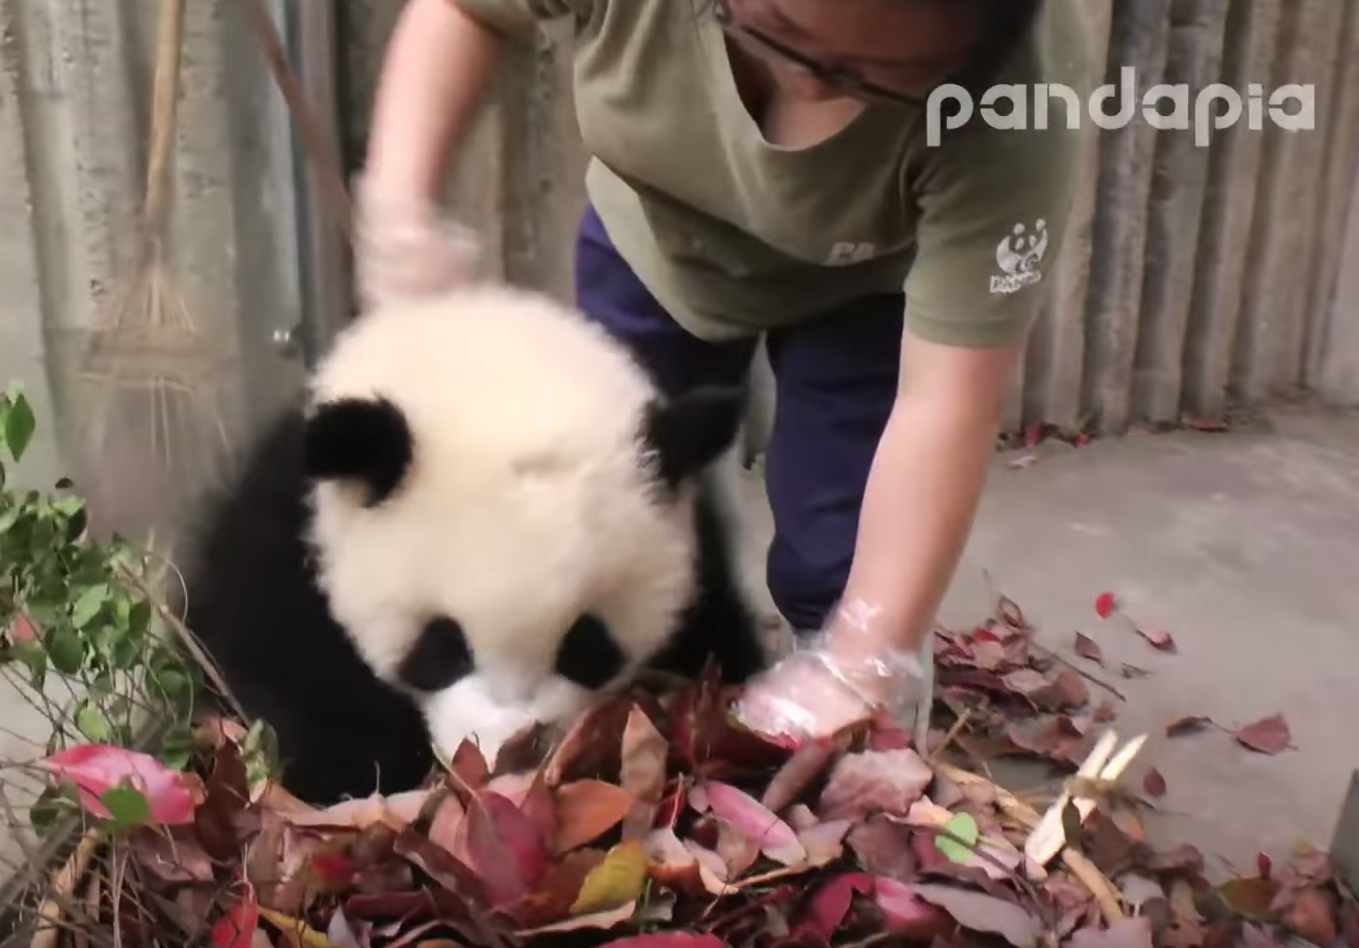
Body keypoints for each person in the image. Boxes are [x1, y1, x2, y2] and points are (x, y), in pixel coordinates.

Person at [352, 0, 1089, 745]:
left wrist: (865, 655)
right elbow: (464, 10)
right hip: (656, 238)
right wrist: (400, 203)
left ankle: (853, 715)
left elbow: (945, 404)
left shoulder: (1013, 108)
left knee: (841, 553)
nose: (805, 87)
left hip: (866, 282)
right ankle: (606, 708)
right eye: (776, 32)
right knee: (608, 511)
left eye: (870, 77)